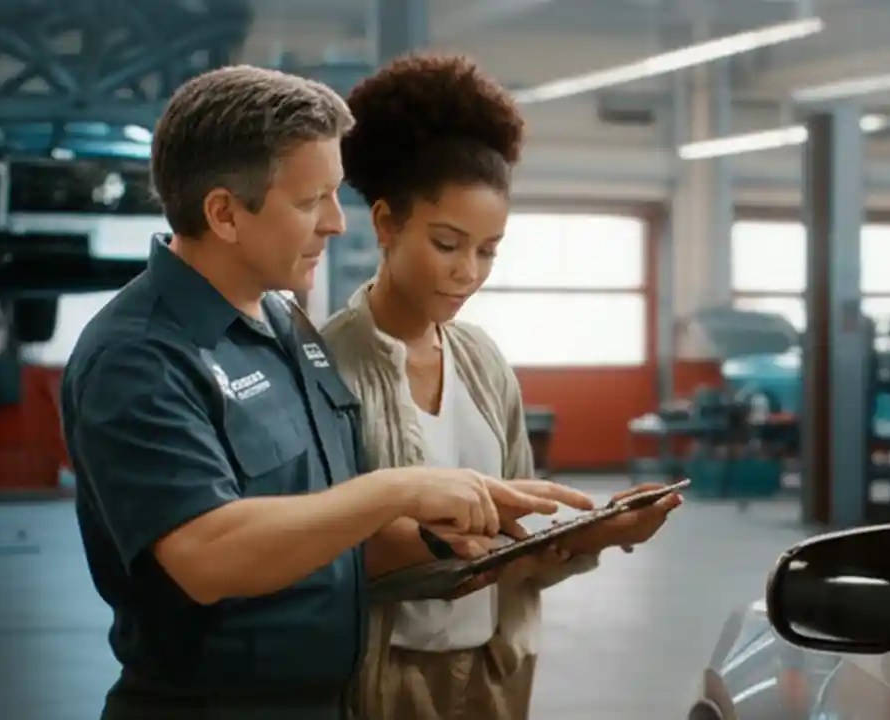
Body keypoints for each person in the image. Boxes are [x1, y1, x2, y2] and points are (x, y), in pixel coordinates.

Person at [61, 65, 585, 720]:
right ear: (224, 213)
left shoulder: (286, 326)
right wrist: (396, 488)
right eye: (312, 201)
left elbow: (328, 535)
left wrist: (463, 529)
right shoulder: (140, 357)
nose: (336, 223)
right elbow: (207, 555)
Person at [320, 53, 683, 720]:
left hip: (491, 674)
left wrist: (602, 530)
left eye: (488, 250)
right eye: (447, 243)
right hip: (376, 681)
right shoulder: (326, 364)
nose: (468, 272)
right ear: (386, 223)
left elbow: (517, 551)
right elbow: (312, 553)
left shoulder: (484, 364)